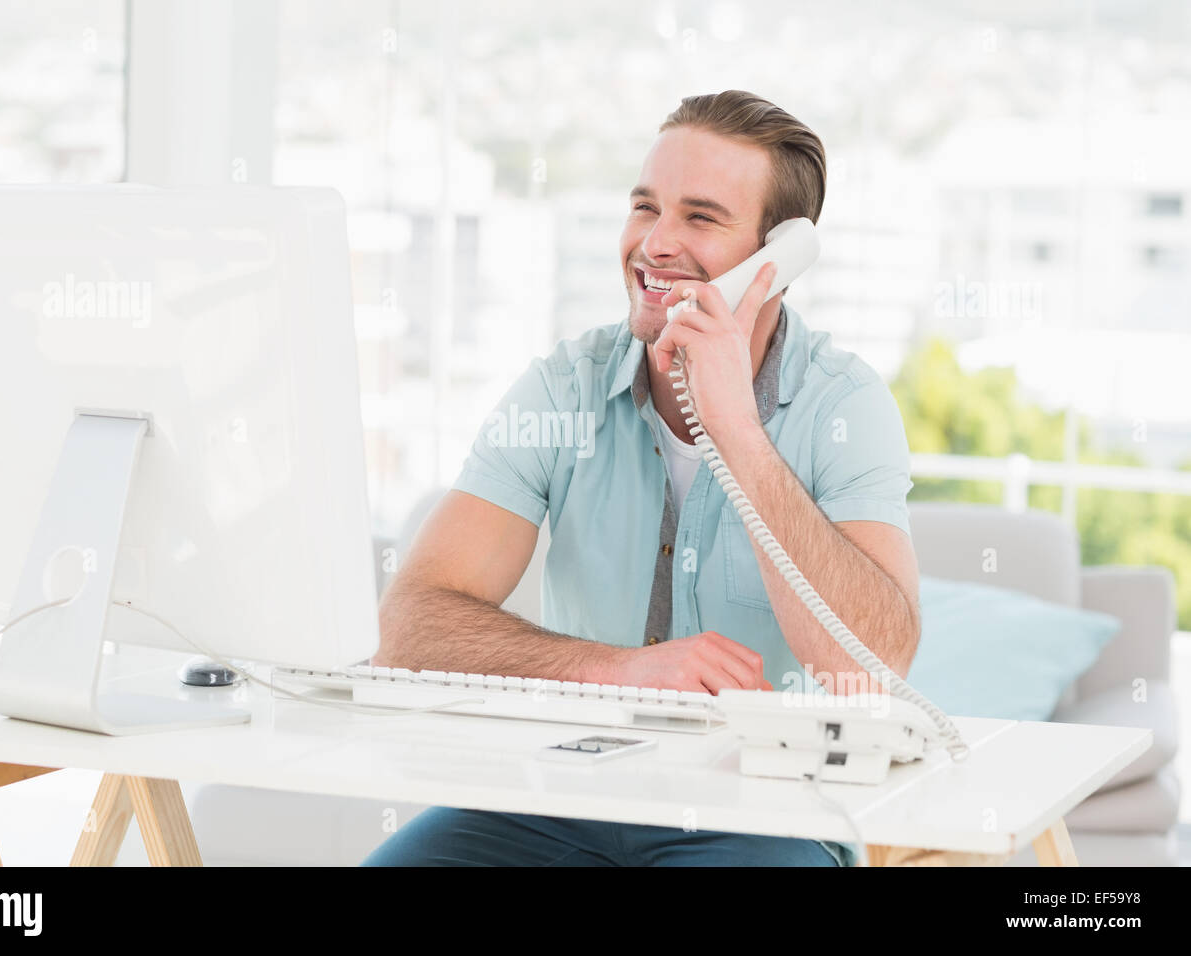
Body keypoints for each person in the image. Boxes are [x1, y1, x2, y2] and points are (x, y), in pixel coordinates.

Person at [364, 90, 920, 867]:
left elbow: (873, 667)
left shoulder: (846, 405)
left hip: (759, 813)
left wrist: (737, 430)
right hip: (554, 797)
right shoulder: (565, 388)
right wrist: (618, 670)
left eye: (700, 217)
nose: (654, 244)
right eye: (644, 207)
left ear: (779, 259)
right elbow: (411, 628)